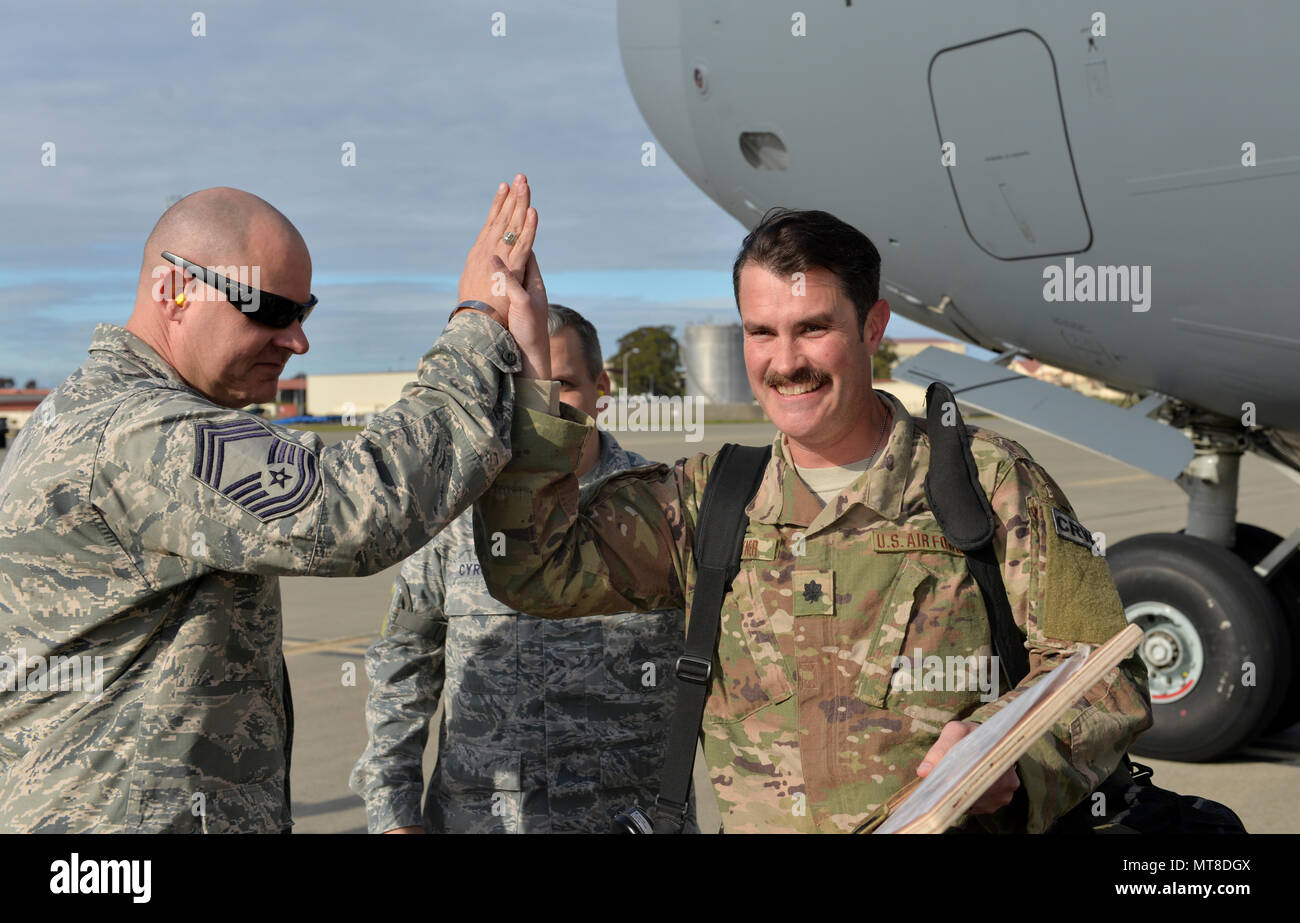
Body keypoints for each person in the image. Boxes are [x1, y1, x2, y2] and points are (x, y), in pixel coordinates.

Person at [474, 207, 1153, 833]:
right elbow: (532, 566)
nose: (786, 361)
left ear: (873, 325)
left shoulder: (987, 482)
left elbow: (1106, 678)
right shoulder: (705, 500)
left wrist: (1008, 750)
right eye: (761, 332)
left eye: (814, 328)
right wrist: (533, 372)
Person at [0, 175, 552, 833]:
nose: (296, 341)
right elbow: (358, 509)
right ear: (173, 291)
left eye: (303, 312)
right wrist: (477, 324)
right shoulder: (141, 433)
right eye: (267, 311)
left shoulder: (108, 413)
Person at [350, 305, 697, 834]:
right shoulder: (458, 513)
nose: (546, 408)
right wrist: (393, 813)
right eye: (525, 389)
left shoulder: (664, 510)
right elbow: (404, 663)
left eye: (564, 385)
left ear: (602, 387)